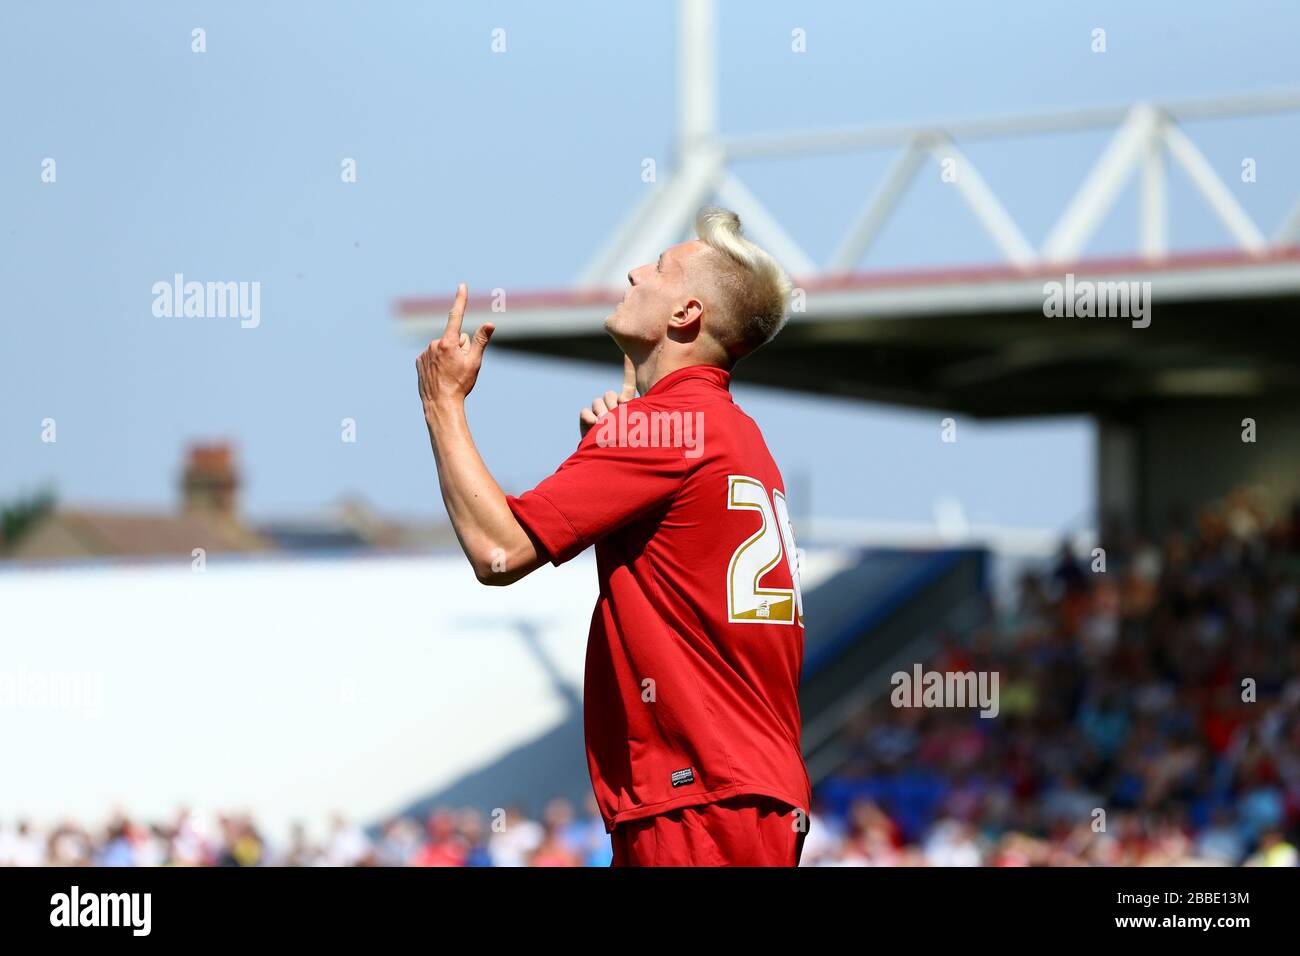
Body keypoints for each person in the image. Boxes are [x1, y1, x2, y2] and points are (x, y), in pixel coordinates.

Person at [415, 206, 810, 866]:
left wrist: (442, 402)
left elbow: (498, 549)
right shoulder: (733, 433)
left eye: (658, 267)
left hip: (696, 800)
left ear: (686, 314)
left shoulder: (663, 429)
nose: (634, 270)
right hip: (737, 794)